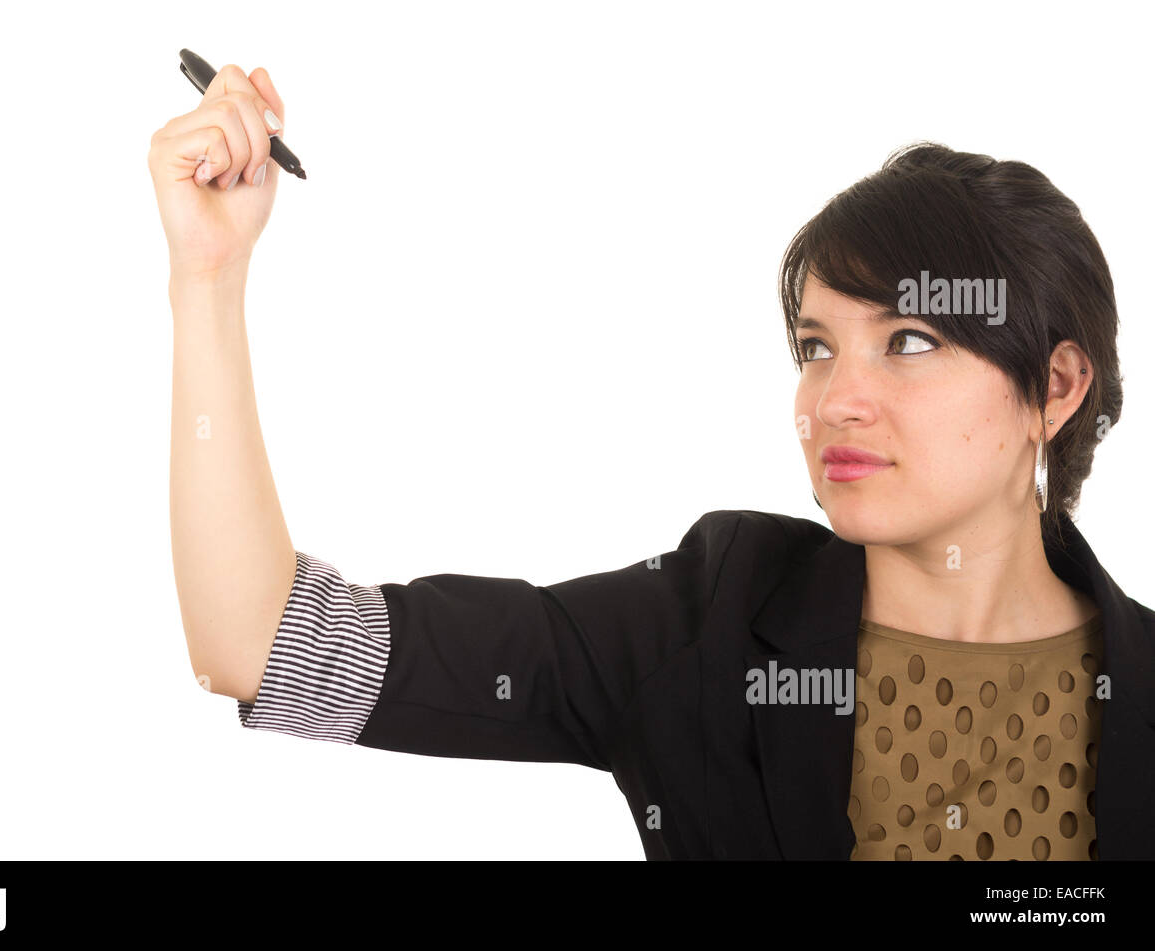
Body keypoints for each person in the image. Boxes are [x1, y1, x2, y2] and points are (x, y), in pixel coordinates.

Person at [147, 63, 1155, 860]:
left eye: (910, 340)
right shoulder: (705, 625)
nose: (833, 400)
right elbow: (260, 643)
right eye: (816, 348)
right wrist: (209, 275)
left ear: (1056, 387)